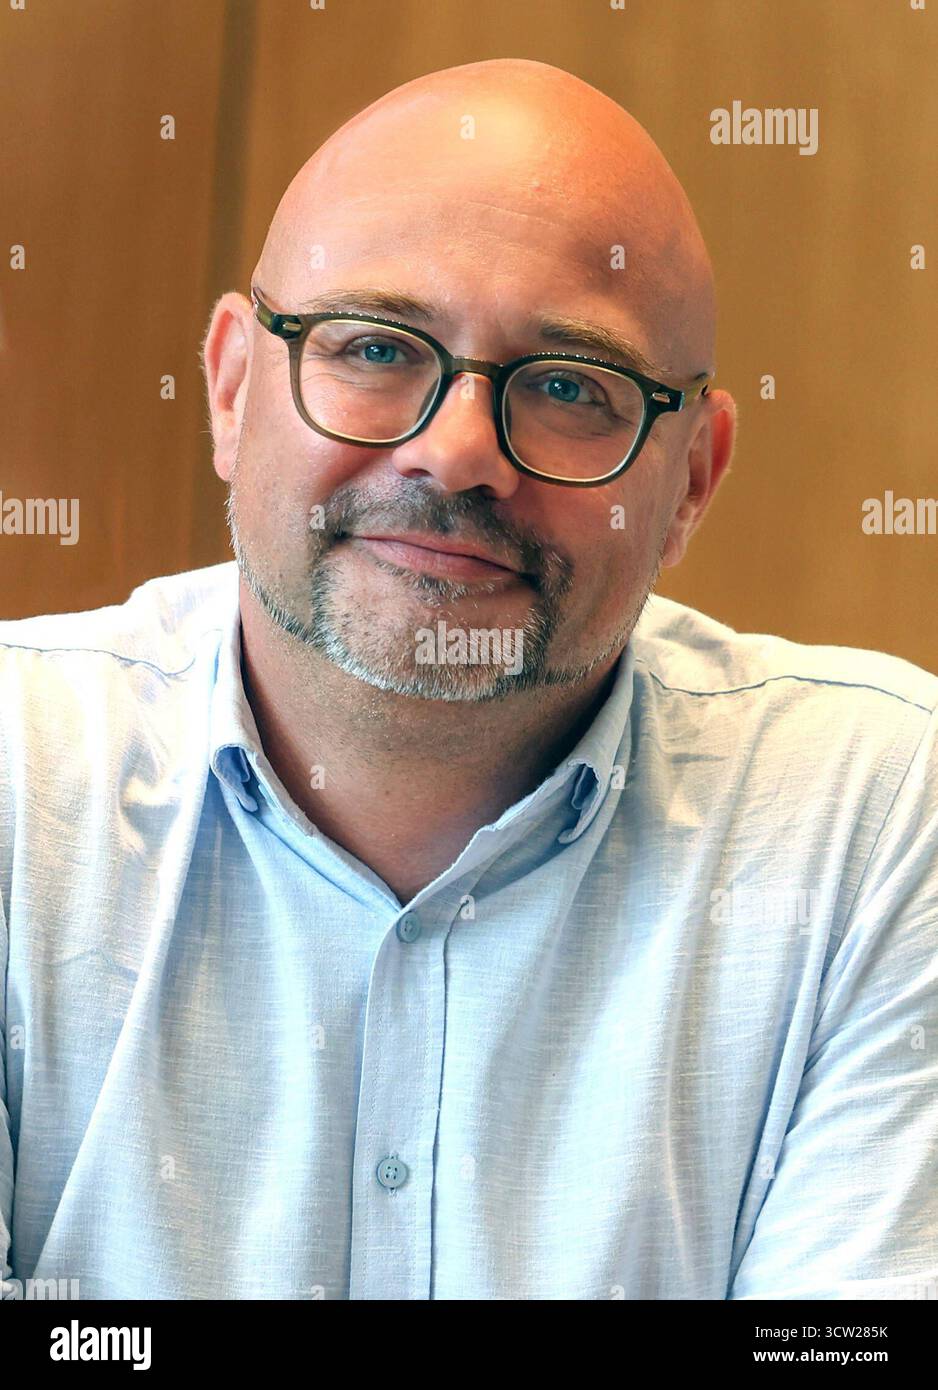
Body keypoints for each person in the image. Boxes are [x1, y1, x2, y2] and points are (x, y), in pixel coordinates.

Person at [1, 58, 935, 1302]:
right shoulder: (19, 776)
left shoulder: (869, 821)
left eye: (566, 387)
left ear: (691, 484)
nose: (452, 454)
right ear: (232, 387)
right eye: (376, 347)